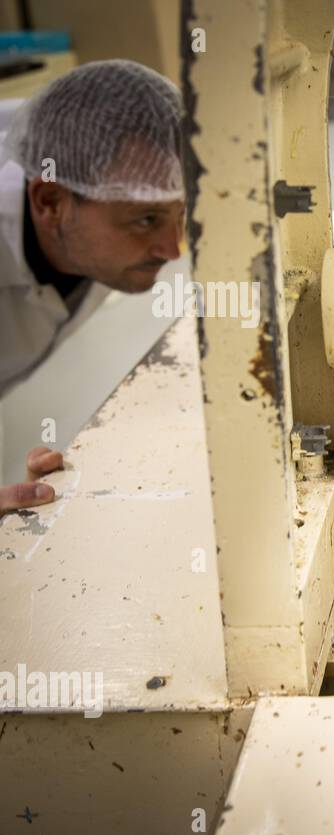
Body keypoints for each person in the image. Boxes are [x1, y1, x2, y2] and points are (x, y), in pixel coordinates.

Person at [0, 59, 184, 515]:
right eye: (146, 220)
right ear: (49, 203)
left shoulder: (78, 155)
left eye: (180, 214)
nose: (172, 249)